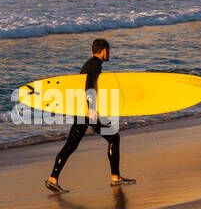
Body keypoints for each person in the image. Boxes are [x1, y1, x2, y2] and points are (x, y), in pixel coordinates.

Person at [46, 38, 135, 193]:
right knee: (114, 138)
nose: (109, 53)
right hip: (88, 111)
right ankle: (115, 178)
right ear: (104, 51)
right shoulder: (94, 65)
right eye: (109, 50)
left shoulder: (89, 64)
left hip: (82, 110)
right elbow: (89, 87)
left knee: (71, 145)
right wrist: (92, 109)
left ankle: (53, 179)